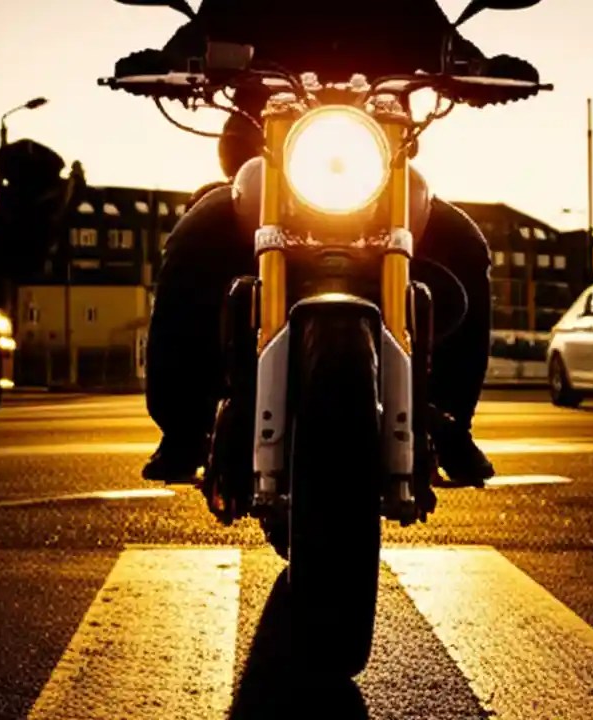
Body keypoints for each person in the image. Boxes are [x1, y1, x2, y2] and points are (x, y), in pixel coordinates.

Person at [124, 0, 543, 485]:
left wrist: (484, 72)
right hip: (266, 172)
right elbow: (198, 41)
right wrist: (164, 64)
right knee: (193, 236)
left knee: (466, 244)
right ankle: (184, 428)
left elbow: (448, 49)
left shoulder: (405, 6)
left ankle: (449, 420)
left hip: (381, 179)